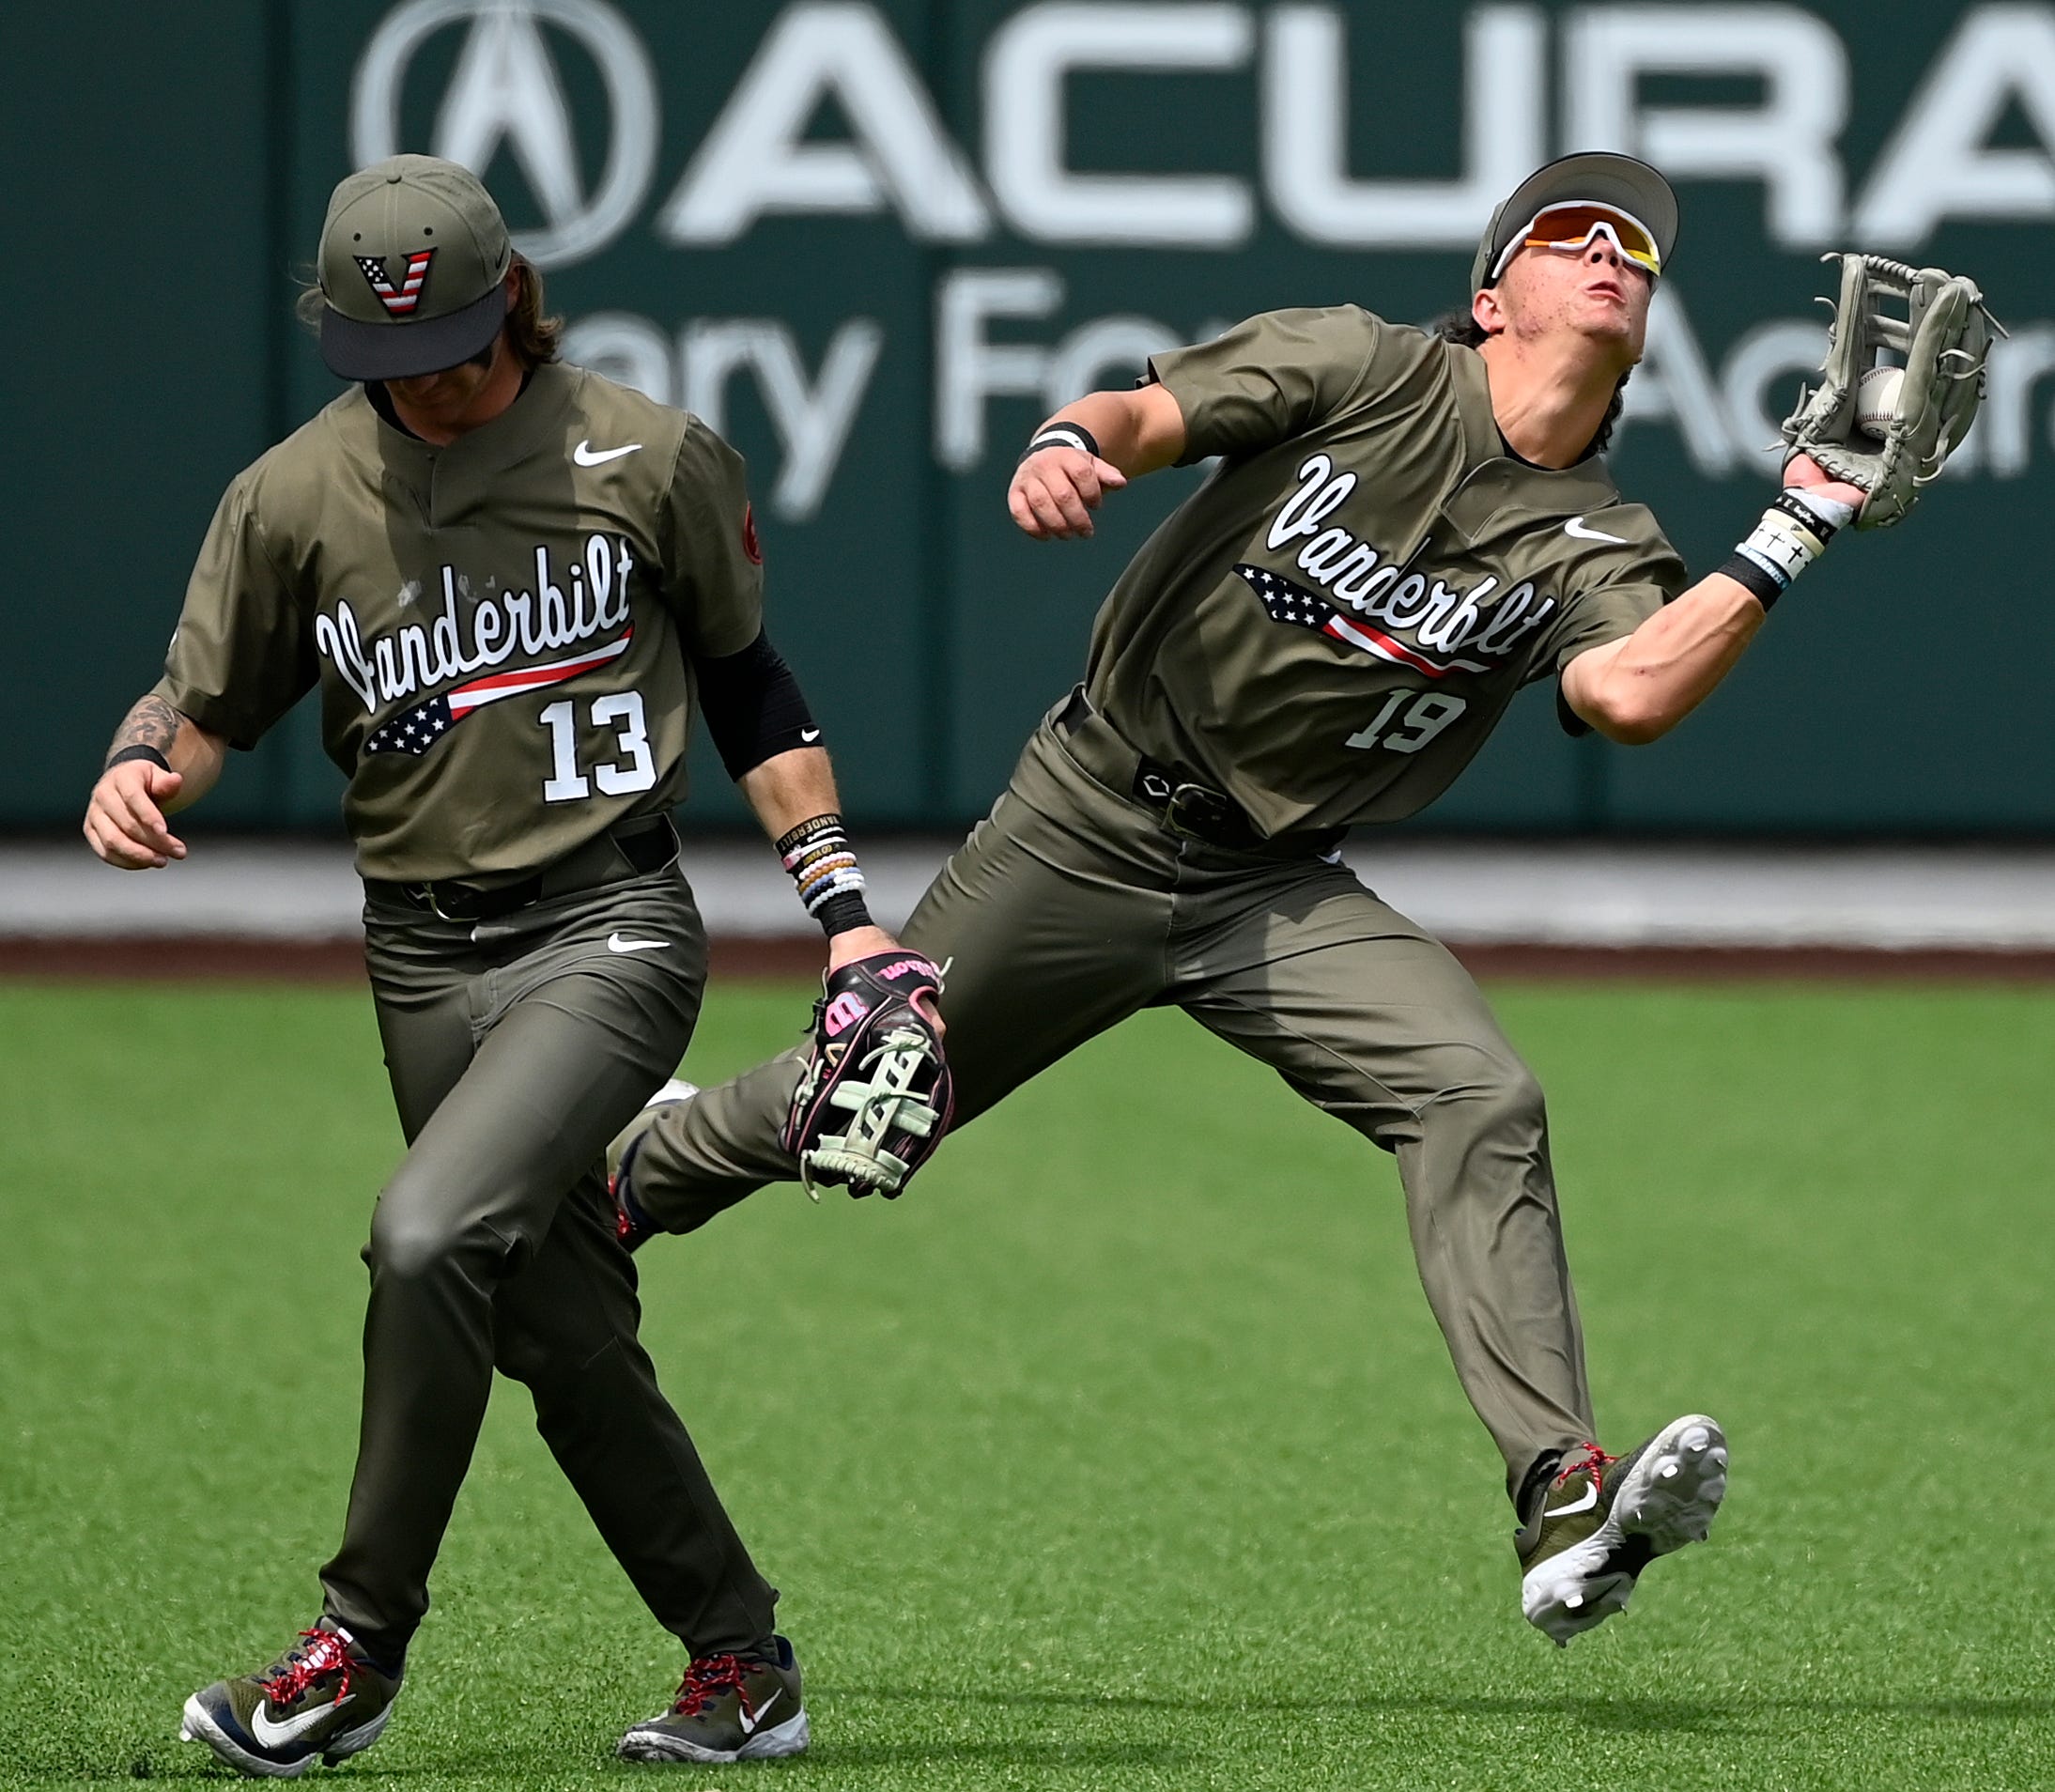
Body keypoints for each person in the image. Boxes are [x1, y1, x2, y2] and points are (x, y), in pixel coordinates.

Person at [613, 152, 1880, 1645]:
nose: (1611, 253)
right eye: (1569, 233)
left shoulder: (1599, 535)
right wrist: (1067, 440)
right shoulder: (1364, 366)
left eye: (1636, 250)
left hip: (1270, 885)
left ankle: (1561, 1495)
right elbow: (1145, 413)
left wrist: (1798, 524)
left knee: (1477, 1091)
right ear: (1493, 297)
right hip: (1093, 815)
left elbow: (1628, 692)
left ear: (1648, 327)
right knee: (866, 1107)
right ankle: (624, 1182)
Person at [82, 154, 916, 1773]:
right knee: (563, 1330)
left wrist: (847, 912)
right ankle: (744, 1663)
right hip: (418, 957)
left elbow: (752, 687)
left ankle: (355, 1646)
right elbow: (195, 704)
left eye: (451, 347)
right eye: (387, 357)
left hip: (609, 926)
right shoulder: (291, 496)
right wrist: (137, 769)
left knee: (425, 1235)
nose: (425, 383)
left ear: (514, 297)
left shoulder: (648, 454)